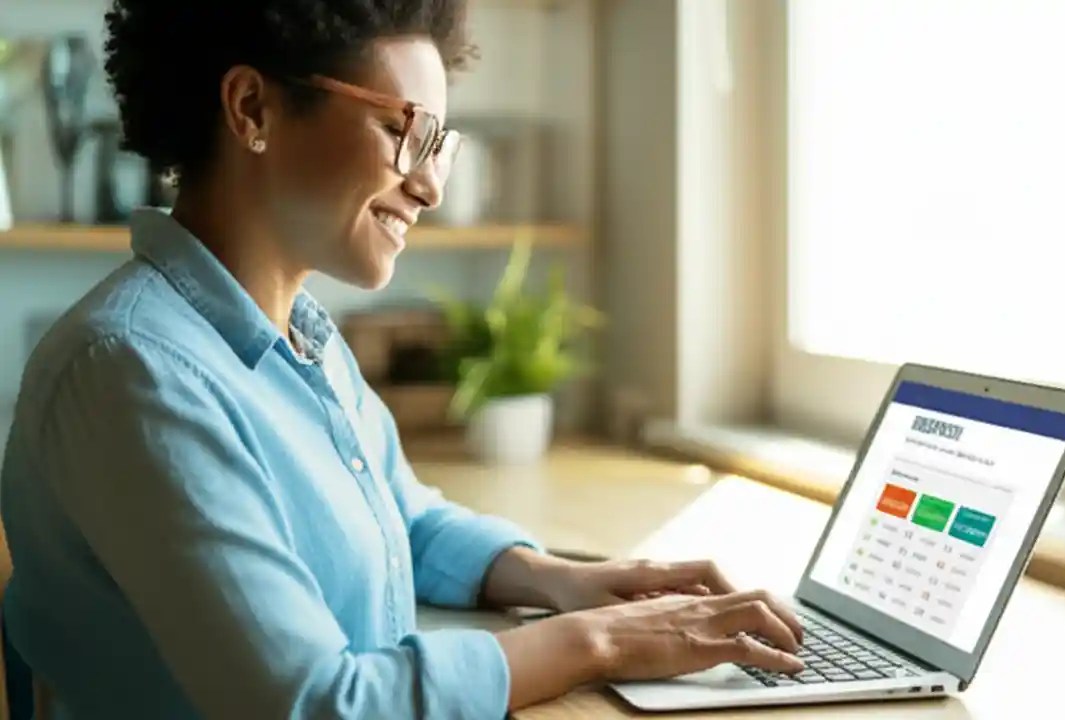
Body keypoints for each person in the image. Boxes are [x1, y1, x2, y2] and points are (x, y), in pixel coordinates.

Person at [0, 1, 805, 718]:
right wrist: (600, 642)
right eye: (404, 132)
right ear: (251, 108)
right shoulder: (132, 372)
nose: (430, 186)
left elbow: (400, 522)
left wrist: (562, 578)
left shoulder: (299, 337)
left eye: (438, 145)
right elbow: (319, 704)